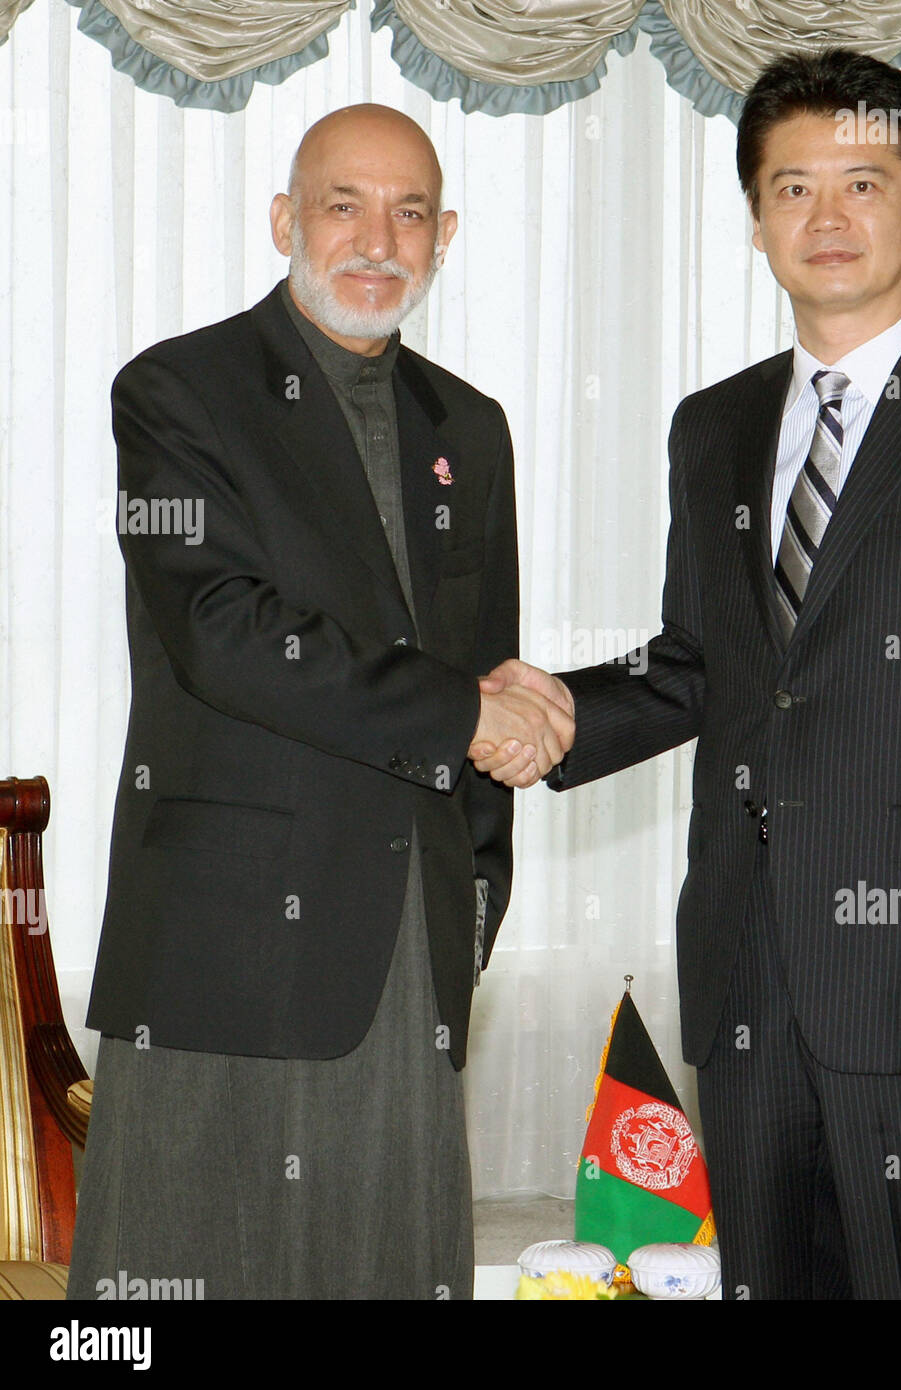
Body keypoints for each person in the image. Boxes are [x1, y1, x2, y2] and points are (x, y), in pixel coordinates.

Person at [471, 50, 901, 1299]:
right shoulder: (712, 427)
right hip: (744, 964)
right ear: (757, 220)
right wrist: (553, 712)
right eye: (792, 187)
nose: (828, 217)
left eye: (864, 184)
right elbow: (702, 664)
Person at [68, 104, 573, 1301]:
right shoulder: (178, 391)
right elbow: (222, 633)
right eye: (344, 205)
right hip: (223, 945)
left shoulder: (471, 429)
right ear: (285, 219)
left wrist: (474, 905)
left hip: (408, 954)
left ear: (445, 237)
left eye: (410, 213)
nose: (377, 240)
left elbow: (485, 675)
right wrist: (464, 714)